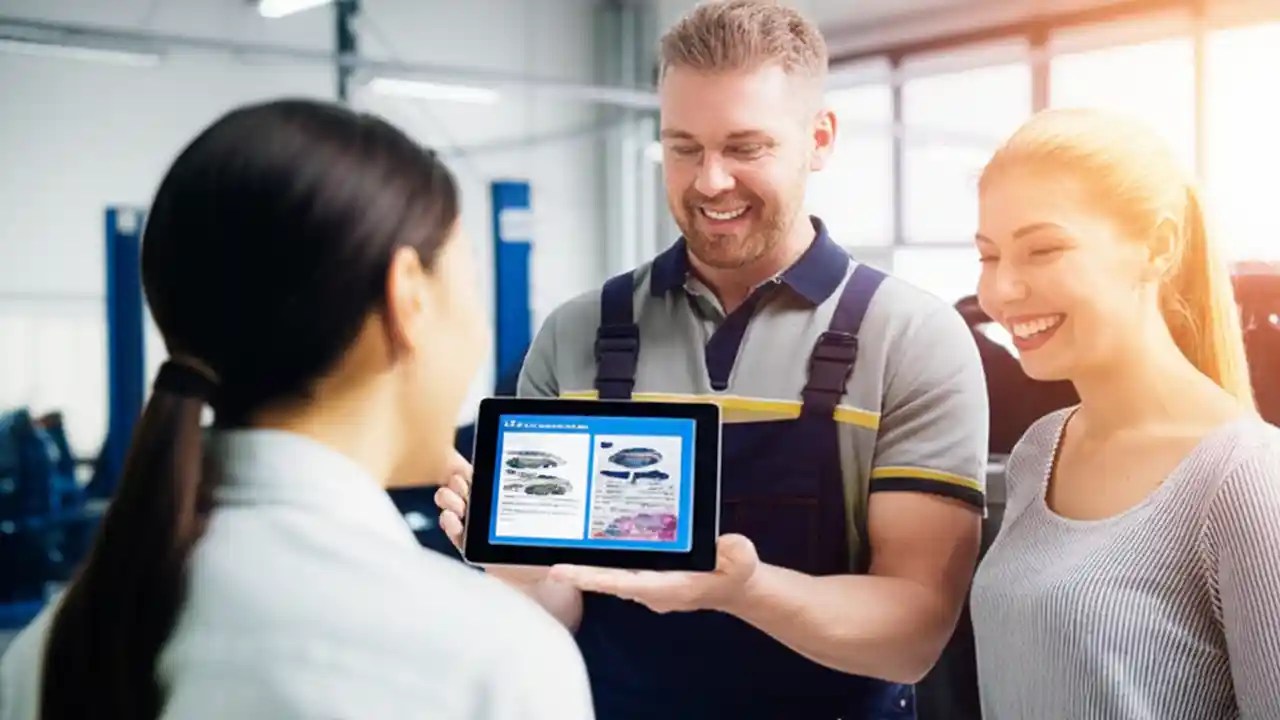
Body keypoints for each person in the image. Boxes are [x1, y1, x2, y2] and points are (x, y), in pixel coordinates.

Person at [435, 1, 990, 717]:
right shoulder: (575, 335)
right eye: (684, 147)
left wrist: (745, 591)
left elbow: (913, 633)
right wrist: (516, 573)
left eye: (745, 147)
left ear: (819, 138)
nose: (710, 182)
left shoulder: (911, 337)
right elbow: (559, 608)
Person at [0, 99, 593, 720]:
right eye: (468, 287)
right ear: (408, 298)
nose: (475, 331)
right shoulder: (496, 660)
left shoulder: (48, 651)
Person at [968, 107, 1280, 719]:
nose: (1002, 290)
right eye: (988, 257)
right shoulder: (1041, 449)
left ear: (1157, 248)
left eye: (1043, 250)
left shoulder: (1247, 478)